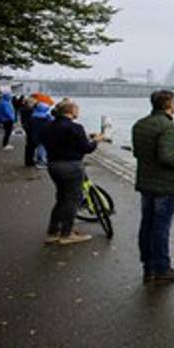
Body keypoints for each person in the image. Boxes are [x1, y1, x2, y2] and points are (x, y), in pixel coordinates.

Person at [132, 90, 174, 284]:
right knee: (161, 226)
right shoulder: (166, 126)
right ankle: (162, 268)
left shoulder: (140, 124)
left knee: (147, 224)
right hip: (164, 184)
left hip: (146, 181)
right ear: (168, 104)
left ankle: (148, 267)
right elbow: (166, 156)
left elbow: (138, 153)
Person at [39, 100, 103, 245]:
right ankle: (67, 234)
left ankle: (53, 231)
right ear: (71, 111)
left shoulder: (48, 126)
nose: (78, 112)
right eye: (77, 109)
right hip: (71, 166)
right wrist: (96, 141)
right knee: (73, 200)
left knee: (61, 199)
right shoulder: (75, 127)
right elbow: (86, 148)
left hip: (53, 165)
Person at [26, 98, 54, 167]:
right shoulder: (46, 117)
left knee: (31, 148)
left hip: (32, 135)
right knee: (42, 148)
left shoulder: (33, 116)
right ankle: (41, 161)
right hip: (42, 136)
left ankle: (30, 161)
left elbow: (28, 126)